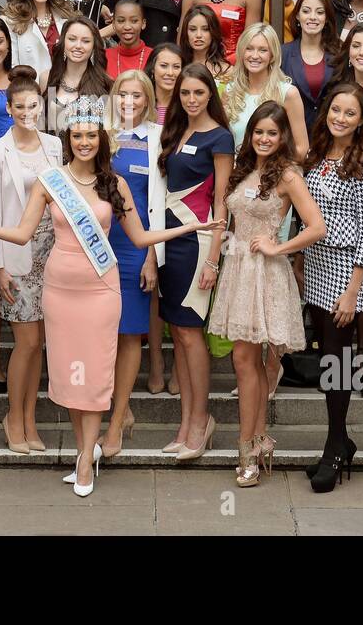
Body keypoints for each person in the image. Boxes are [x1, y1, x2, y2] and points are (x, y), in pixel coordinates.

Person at [0, 97, 225, 496]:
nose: (84, 142)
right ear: (69, 138)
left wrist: (191, 228)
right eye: (77, 135)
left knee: (93, 374)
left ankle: (84, 461)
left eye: (91, 135)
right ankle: (84, 450)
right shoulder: (50, 181)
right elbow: (23, 234)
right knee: (69, 374)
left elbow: (142, 237)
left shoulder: (115, 183)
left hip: (101, 290)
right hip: (59, 292)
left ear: (101, 139)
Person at [210, 101, 325, 486]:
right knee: (246, 361)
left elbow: (316, 227)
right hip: (237, 269)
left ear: (282, 137)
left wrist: (278, 246)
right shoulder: (243, 169)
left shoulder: (288, 174)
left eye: (272, 133)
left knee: (251, 358)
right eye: (258, 131)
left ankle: (247, 447)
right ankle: (256, 440)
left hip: (266, 270)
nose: (264, 138)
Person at [298, 83, 363, 492]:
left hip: (345, 272)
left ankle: (334, 446)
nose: (340, 118)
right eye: (336, 110)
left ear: (362, 119)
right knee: (327, 358)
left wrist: (353, 291)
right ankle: (341, 439)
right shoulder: (317, 154)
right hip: (315, 266)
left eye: (350, 113)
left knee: (336, 362)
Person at [157, 64, 233, 461]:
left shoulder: (220, 138)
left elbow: (221, 201)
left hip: (198, 243)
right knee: (178, 333)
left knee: (190, 333)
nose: (190, 99)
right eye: (185, 93)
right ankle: (185, 424)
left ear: (210, 95)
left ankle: (201, 421)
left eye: (198, 93)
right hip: (169, 242)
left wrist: (214, 260)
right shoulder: (174, 132)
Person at [0, 68, 59, 441]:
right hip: (16, 254)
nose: (28, 112)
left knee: (40, 343)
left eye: (34, 105)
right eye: (20, 106)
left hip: (53, 252)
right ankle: (14, 417)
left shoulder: (54, 146)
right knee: (25, 342)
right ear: (9, 109)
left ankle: (30, 419)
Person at [97, 70, 163, 455]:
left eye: (138, 96)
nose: (130, 102)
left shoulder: (157, 140)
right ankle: (105, 406)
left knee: (129, 333)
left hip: (136, 250)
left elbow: (159, 204)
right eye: (124, 94)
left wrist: (152, 258)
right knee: (101, 333)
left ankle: (118, 418)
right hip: (98, 247)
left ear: (148, 99)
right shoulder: (99, 135)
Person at [226, 22, 309, 158]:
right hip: (237, 174)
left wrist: (272, 169)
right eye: (249, 48)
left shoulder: (288, 93)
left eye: (263, 50)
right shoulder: (230, 90)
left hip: (273, 173)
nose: (254, 55)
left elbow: (302, 148)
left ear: (272, 55)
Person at [1, 0, 74, 81]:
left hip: (66, 93)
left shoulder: (66, 15)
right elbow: (12, 69)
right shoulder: (10, 21)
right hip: (30, 94)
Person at [280, 0, 339, 135]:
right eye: (306, 11)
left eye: (319, 12)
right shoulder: (282, 53)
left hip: (329, 137)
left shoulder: (339, 55)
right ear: (298, 17)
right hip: (291, 138)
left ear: (326, 19)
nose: (313, 17)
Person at [46, 16, 112, 132]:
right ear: (63, 42)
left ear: (93, 47)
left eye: (86, 41)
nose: (78, 46)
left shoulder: (106, 84)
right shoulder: (47, 78)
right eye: (72, 39)